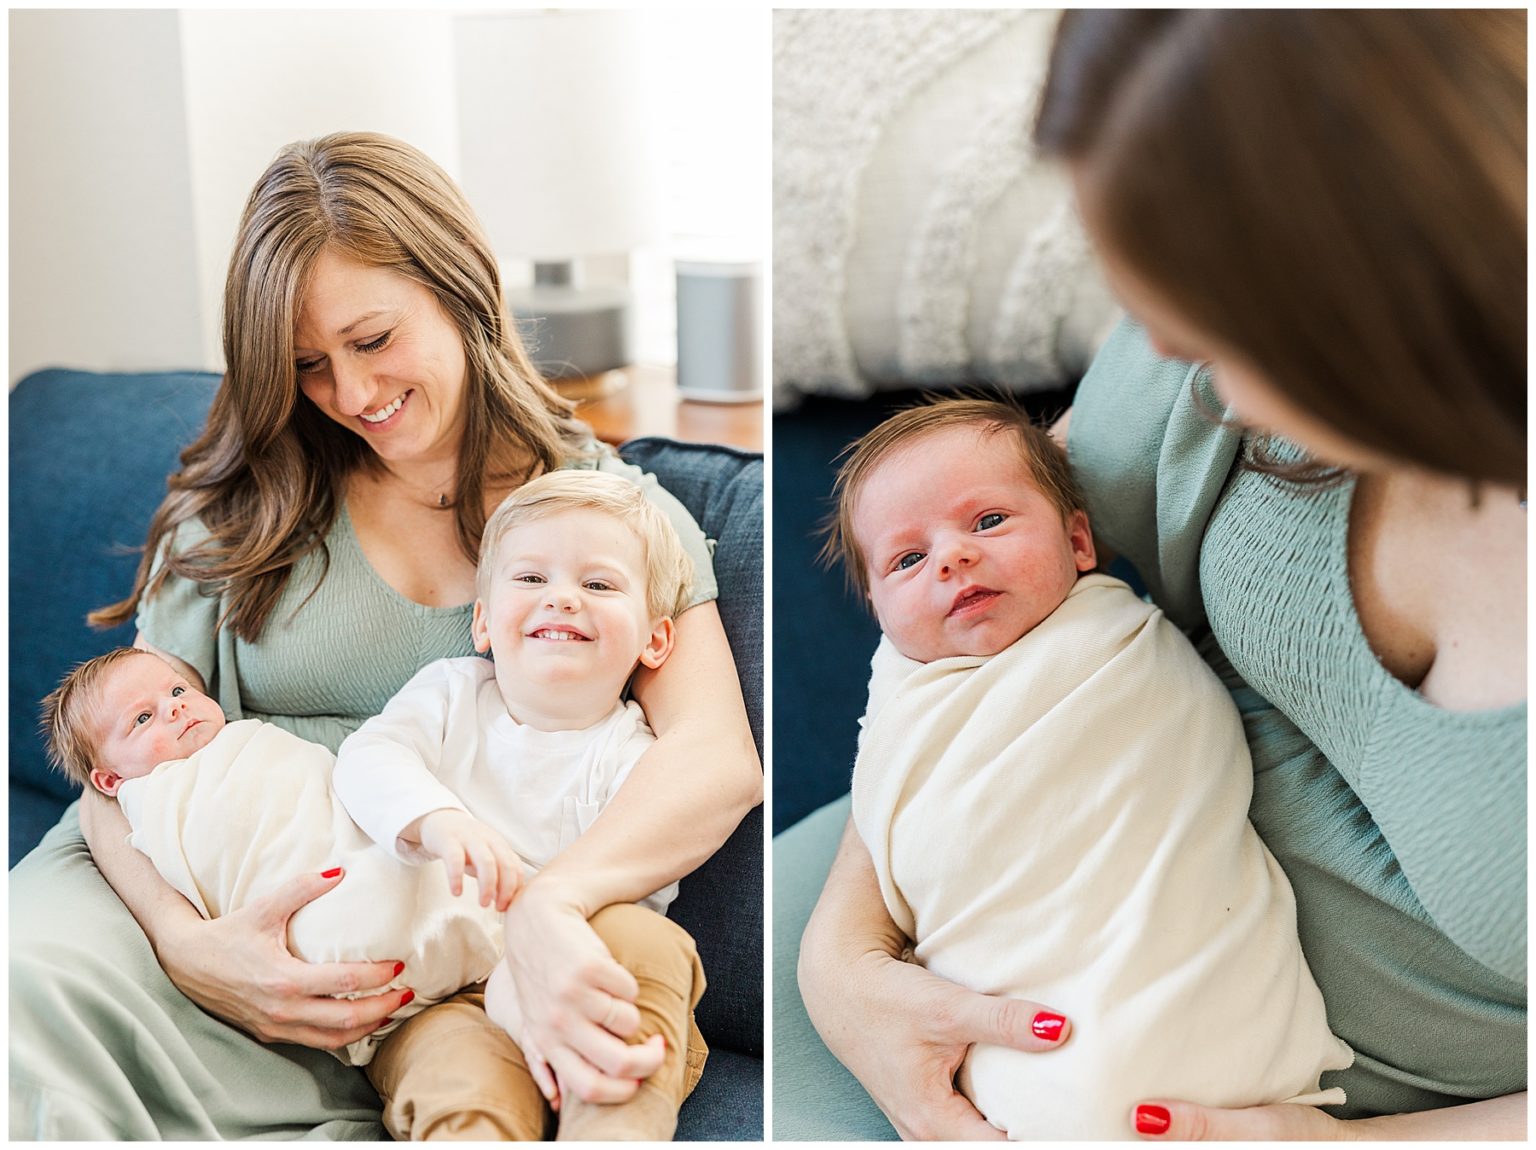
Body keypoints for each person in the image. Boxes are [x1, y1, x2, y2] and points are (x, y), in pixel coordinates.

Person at [784, 9, 1524, 1141]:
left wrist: (1350, 1143)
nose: (1163, 352)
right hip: (970, 910)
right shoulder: (1199, 292)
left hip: (1291, 1106)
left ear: (1382, 282)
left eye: (1212, 325)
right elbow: (959, 581)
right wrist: (845, 959)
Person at [9, 130, 761, 1140]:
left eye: (373, 341)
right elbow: (118, 776)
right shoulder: (239, 509)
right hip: (195, 901)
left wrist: (552, 905)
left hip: (436, 941)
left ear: (459, 290)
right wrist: (192, 946)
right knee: (22, 993)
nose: (352, 395)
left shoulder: (607, 521)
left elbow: (715, 761)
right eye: (309, 364)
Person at [823, 398, 1351, 1138]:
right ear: (879, 611)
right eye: (908, 560)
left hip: (1205, 1000)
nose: (951, 557)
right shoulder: (907, 691)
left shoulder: (1107, 630)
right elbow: (899, 804)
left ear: (1079, 541)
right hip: (1029, 1027)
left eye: (988, 522)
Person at [334, 469, 708, 1140]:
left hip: (577, 985)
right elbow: (367, 760)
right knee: (462, 1084)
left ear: (655, 639)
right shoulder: (450, 695)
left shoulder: (636, 759)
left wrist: (533, 978)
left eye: (597, 584)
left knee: (649, 946)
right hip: (444, 1001)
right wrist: (439, 821)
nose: (561, 599)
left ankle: (612, 1128)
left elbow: (633, 896)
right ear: (482, 621)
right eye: (531, 580)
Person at [38, 646, 503, 1069]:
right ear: (109, 782)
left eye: (178, 690)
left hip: (395, 811)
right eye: (142, 719)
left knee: (405, 872)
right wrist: (179, 939)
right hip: (259, 931)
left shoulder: (248, 740)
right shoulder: (152, 797)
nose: (175, 707)